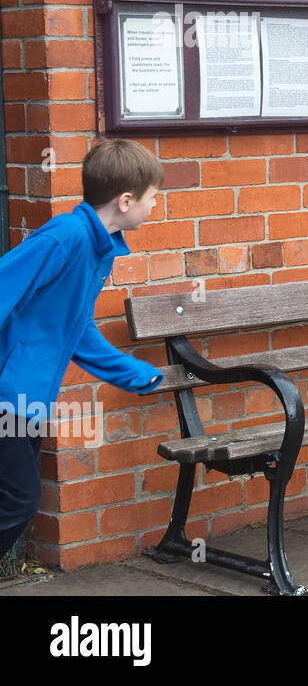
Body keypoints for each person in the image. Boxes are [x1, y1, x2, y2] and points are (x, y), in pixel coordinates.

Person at [0, 139, 165, 560]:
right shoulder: (64, 237)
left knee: (16, 497)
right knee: (20, 499)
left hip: (29, 398)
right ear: (126, 200)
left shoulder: (99, 250)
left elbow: (78, 328)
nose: (154, 207)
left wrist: (134, 373)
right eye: (152, 199)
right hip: (7, 395)